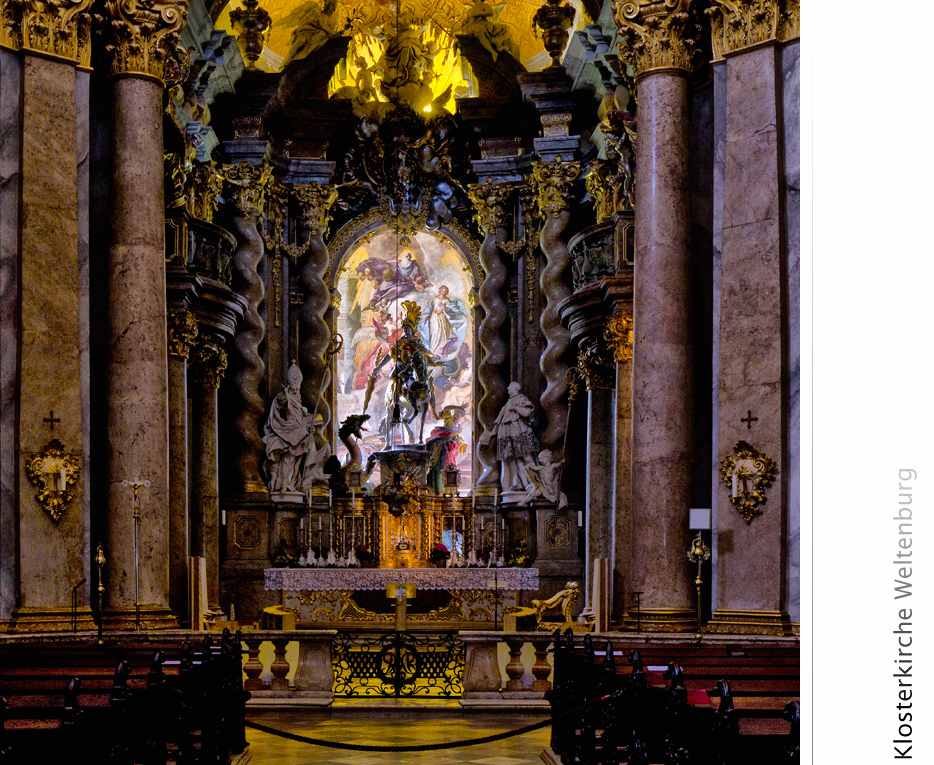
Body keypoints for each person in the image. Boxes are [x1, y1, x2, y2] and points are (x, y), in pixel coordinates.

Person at [263, 362, 329, 492]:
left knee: (296, 458)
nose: (296, 392)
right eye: (294, 390)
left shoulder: (300, 405)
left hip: (298, 430)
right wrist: (284, 395)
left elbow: (302, 419)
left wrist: (311, 427)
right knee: (289, 456)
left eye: (297, 390)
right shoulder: (285, 396)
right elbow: (281, 401)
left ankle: (290, 483)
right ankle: (282, 484)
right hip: (288, 429)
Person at [481, 381, 538, 491]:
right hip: (507, 435)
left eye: (509, 387)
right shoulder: (508, 402)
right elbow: (500, 420)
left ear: (515, 389)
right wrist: (492, 432)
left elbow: (527, 413)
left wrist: (515, 408)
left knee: (526, 457)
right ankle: (515, 484)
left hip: (518, 433)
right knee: (510, 460)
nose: (507, 388)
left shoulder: (522, 398)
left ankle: (535, 481)